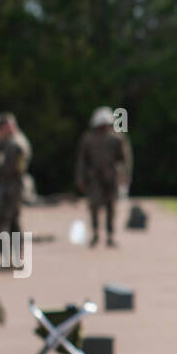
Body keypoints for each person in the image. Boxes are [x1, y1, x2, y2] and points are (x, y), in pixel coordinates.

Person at [76, 106, 133, 248]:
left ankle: (110, 235)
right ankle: (95, 233)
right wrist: (80, 178)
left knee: (111, 207)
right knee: (94, 206)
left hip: (112, 177)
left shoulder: (117, 138)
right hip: (94, 177)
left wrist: (125, 175)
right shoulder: (88, 139)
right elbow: (82, 160)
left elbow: (125, 159)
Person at [0, 112, 31, 236]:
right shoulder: (14, 141)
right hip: (13, 186)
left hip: (12, 187)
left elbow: (8, 169)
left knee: (5, 220)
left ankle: (8, 250)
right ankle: (15, 250)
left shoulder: (15, 144)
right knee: (13, 221)